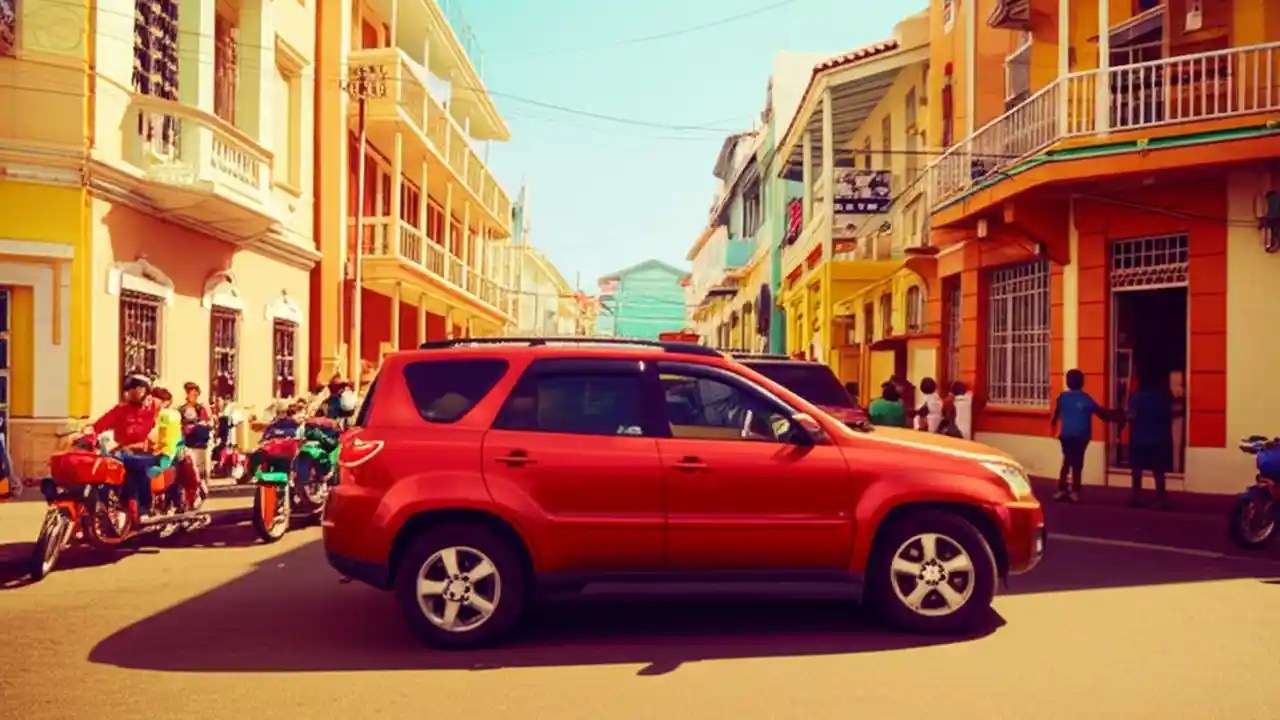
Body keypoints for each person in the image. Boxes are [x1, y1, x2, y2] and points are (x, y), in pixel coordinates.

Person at [91, 373, 161, 518]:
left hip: (149, 452)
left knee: (138, 468)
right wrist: (84, 434)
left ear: (143, 390)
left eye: (132, 390)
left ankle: (144, 507)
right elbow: (99, 425)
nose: (128, 394)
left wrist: (145, 443)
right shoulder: (121, 410)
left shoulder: (155, 407)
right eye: (127, 390)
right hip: (124, 453)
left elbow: (161, 430)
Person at [1050, 369, 1110, 503]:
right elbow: (1102, 413)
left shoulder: (1063, 397)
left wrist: (1055, 428)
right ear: (1082, 382)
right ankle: (1075, 490)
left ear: (1067, 382)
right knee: (1077, 462)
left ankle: (1062, 488)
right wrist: (1117, 416)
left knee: (1067, 461)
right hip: (1081, 436)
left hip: (1066, 435)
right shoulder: (1086, 399)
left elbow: (1056, 416)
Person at [1127, 368, 1174, 509]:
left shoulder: (1137, 398)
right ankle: (1161, 499)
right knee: (1159, 471)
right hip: (1160, 438)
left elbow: (1131, 416)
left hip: (1140, 438)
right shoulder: (1163, 398)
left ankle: (1137, 497)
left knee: (1137, 470)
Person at [178, 382, 213, 480]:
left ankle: (201, 487)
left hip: (201, 443)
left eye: (196, 395)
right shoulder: (182, 409)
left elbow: (209, 422)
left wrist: (205, 424)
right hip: (189, 444)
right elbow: (180, 426)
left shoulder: (201, 408)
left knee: (201, 470)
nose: (194, 397)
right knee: (191, 471)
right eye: (192, 394)